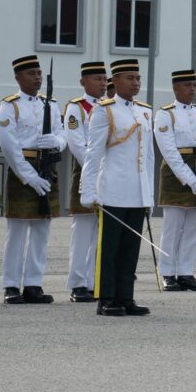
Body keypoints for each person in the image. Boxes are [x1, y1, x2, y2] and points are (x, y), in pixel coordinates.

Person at [79, 59, 154, 317]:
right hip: (113, 189)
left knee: (130, 248)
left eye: (138, 78)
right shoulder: (104, 110)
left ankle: (126, 296)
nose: (135, 83)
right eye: (130, 78)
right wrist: (88, 190)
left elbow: (149, 158)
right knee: (109, 248)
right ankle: (107, 297)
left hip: (137, 191)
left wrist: (149, 194)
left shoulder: (145, 111)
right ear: (117, 80)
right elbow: (94, 152)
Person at [0, 54, 66, 304]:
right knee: (16, 232)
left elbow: (61, 132)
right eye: (31, 74)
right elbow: (9, 146)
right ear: (18, 77)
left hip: (47, 166)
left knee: (41, 230)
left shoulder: (51, 104)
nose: (37, 78)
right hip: (22, 170)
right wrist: (28, 176)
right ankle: (11, 285)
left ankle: (34, 283)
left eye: (39, 74)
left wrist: (57, 142)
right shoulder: (10, 105)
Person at [153, 70, 196, 292]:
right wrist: (188, 178)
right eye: (187, 85)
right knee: (172, 228)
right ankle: (168, 274)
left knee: (193, 229)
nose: (192, 89)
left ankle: (186, 272)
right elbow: (169, 152)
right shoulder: (165, 114)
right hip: (175, 173)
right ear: (175, 88)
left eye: (194, 85)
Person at [60, 61, 107, 302]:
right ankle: (78, 283)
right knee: (83, 231)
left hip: (109, 174)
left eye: (104, 79)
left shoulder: (110, 106)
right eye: (97, 79)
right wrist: (96, 165)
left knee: (102, 233)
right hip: (87, 171)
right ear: (83, 82)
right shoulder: (76, 109)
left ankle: (95, 281)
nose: (102, 83)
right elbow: (76, 143)